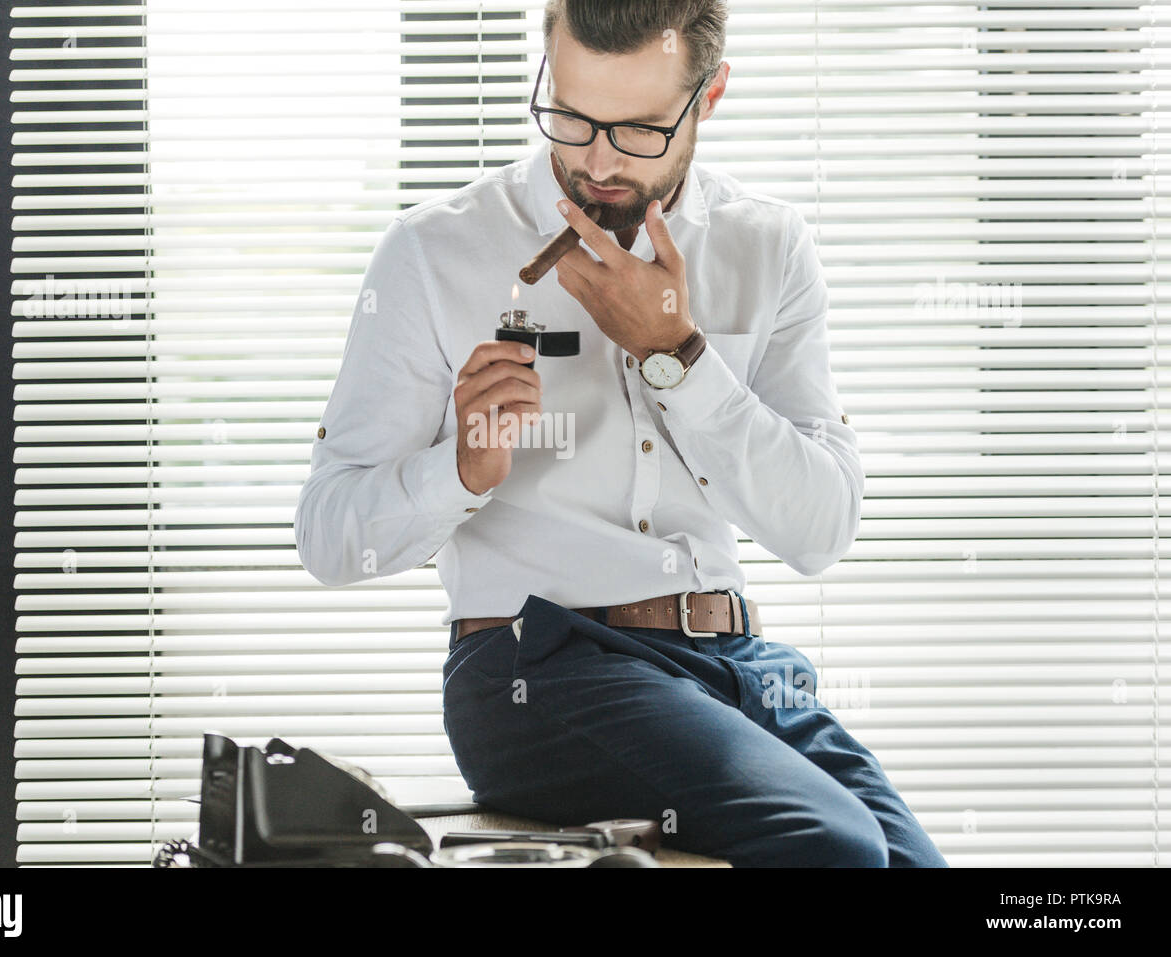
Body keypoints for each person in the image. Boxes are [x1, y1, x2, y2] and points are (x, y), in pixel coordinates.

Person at [295, 0, 947, 867]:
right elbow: (328, 536)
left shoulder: (770, 247)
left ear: (707, 98)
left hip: (740, 664)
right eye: (570, 116)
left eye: (638, 129)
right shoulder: (432, 251)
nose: (596, 159)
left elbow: (819, 530)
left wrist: (676, 354)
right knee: (833, 848)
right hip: (539, 668)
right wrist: (461, 471)